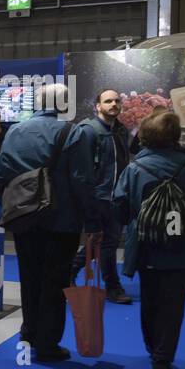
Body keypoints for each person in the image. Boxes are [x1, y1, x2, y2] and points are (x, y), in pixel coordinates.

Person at [112, 110, 185, 369]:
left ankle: (154, 351)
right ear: (176, 135)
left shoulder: (135, 168)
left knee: (149, 299)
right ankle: (163, 358)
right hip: (183, 247)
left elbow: (119, 208)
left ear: (146, 135)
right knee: (174, 304)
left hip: (147, 245)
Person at [0, 82, 89, 362]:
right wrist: (90, 217)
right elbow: (82, 180)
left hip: (24, 219)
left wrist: (15, 201)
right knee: (55, 280)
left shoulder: (15, 131)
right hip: (62, 220)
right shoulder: (73, 133)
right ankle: (47, 343)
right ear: (63, 103)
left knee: (29, 275)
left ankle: (29, 331)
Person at [70, 89, 134, 304]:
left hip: (117, 197)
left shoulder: (122, 131)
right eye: (108, 101)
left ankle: (71, 272)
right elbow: (80, 170)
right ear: (98, 106)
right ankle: (113, 286)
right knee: (103, 242)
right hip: (97, 197)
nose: (114, 104)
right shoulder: (88, 131)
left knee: (105, 243)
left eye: (117, 100)